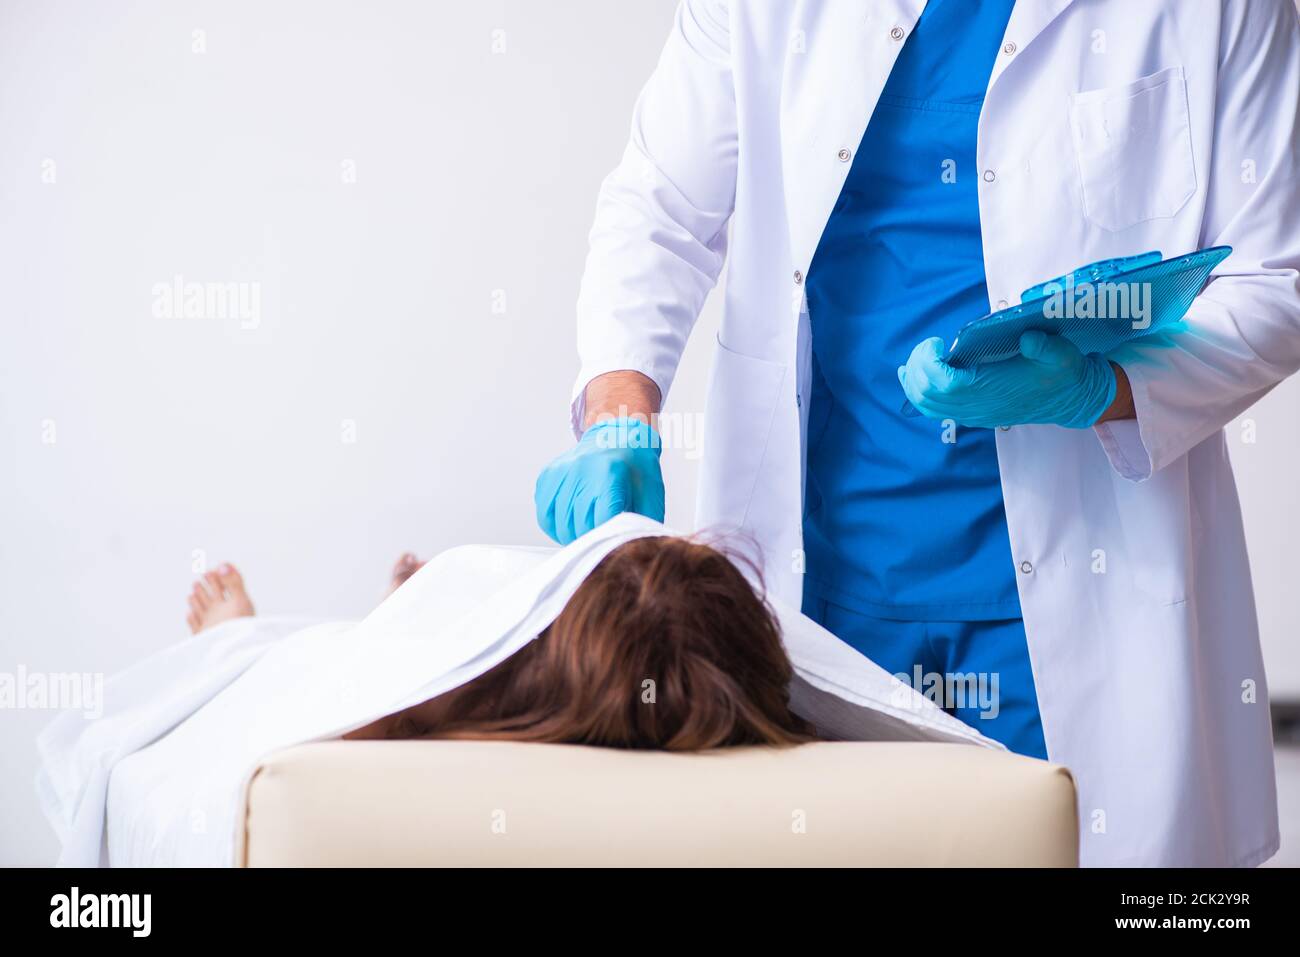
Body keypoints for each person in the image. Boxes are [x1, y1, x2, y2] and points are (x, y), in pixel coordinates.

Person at [533, 0, 1300, 866]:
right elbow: (660, 207)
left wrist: (1104, 386)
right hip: (822, 601)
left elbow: (1277, 278)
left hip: (1088, 591)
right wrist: (619, 413)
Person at [182, 539, 814, 749]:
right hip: (446, 657)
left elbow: (310, 709)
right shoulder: (500, 666)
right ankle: (388, 616)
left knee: (294, 666)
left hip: (426, 672)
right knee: (374, 658)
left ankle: (235, 642)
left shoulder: (464, 699)